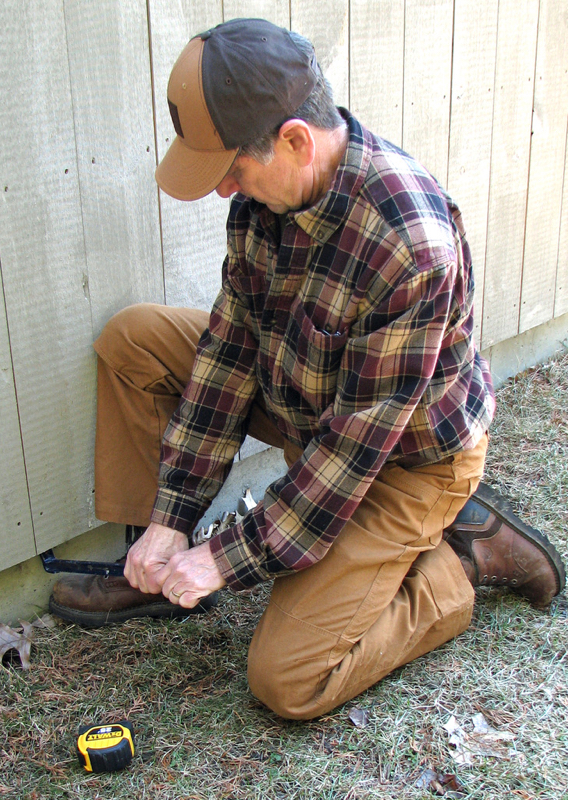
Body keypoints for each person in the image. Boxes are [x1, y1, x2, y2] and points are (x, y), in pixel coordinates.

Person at [50, 18, 565, 720]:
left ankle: (468, 563)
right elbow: (229, 354)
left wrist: (223, 560)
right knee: (135, 340)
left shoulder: (409, 245)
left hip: (403, 462)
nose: (225, 190)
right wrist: (173, 520)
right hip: (311, 393)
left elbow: (344, 463)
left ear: (294, 139)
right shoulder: (270, 198)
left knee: (288, 680)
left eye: (232, 169)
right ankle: (156, 568)